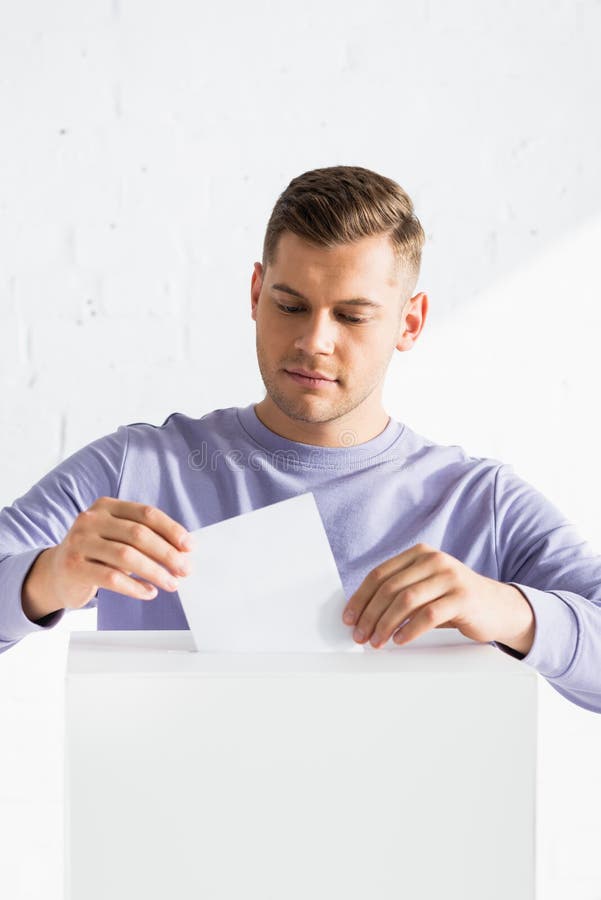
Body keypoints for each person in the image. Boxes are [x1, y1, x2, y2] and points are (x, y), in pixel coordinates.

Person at [1, 165, 600, 714]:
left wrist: (513, 611)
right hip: (166, 825)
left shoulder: (477, 502)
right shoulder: (137, 471)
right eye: (290, 305)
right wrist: (47, 578)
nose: (315, 340)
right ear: (257, 294)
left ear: (408, 323)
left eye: (352, 316)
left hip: (408, 830)